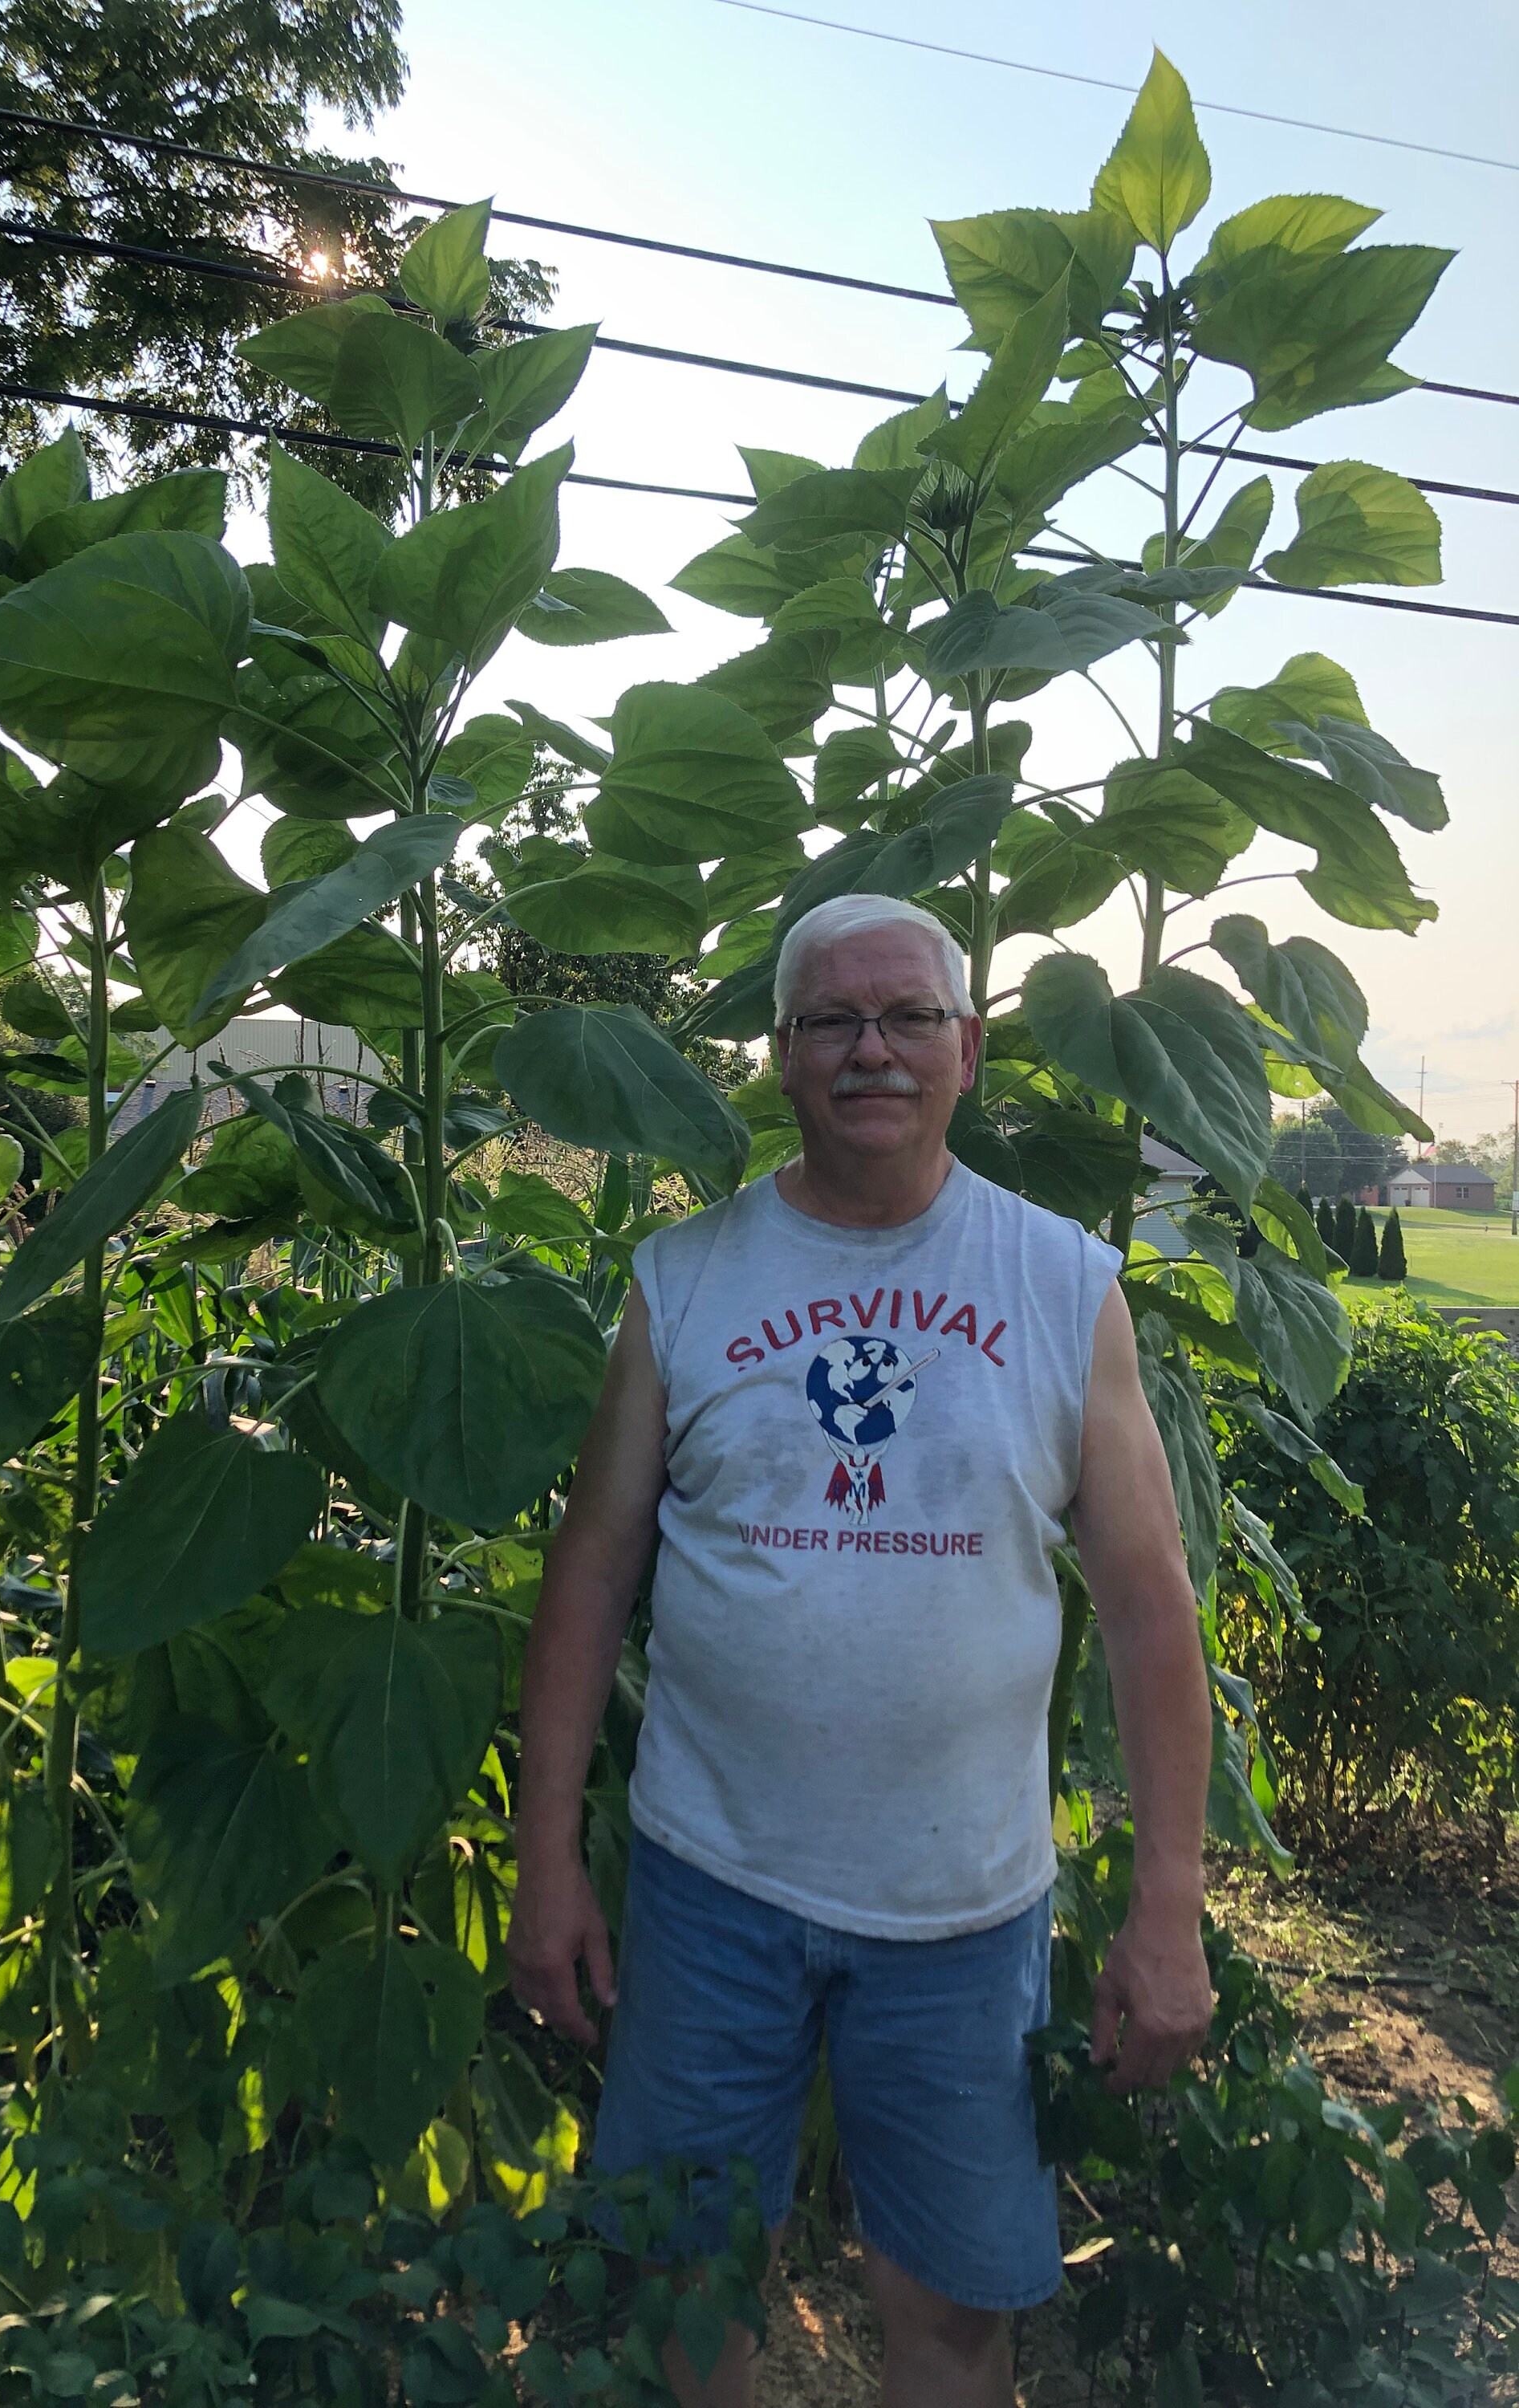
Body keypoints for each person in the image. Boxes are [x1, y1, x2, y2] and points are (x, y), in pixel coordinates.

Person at [507, 894, 1215, 2408]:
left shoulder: (1058, 1286)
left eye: (907, 1018)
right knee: (684, 2282)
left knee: (951, 2304)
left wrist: (1169, 1903)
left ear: (969, 1048)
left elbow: (1151, 1608)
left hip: (963, 1910)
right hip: (709, 1882)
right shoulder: (684, 1281)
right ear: (781, 1054)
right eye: (831, 1019)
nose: (870, 1050)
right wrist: (545, 1857)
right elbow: (590, 1573)